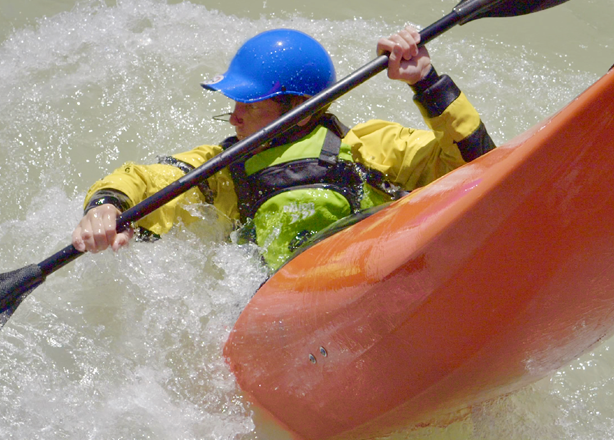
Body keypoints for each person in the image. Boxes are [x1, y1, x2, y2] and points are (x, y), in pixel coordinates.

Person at [70, 27, 494, 268]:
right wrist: (107, 206)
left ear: (300, 109)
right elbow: (145, 179)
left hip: (371, 272)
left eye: (249, 104)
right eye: (233, 102)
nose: (234, 117)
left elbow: (477, 166)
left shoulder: (368, 147)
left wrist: (426, 81)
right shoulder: (222, 168)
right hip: (282, 310)